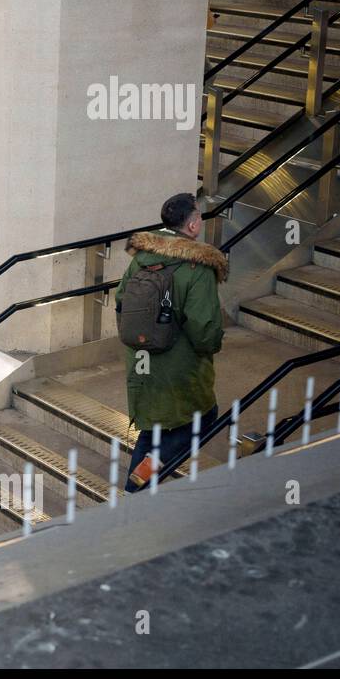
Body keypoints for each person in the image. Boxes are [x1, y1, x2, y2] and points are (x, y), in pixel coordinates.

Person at [116, 192, 228, 492]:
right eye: (199, 216)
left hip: (141, 365)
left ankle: (136, 487)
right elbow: (205, 330)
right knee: (199, 421)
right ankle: (135, 489)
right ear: (192, 225)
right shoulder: (198, 267)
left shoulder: (142, 258)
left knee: (155, 432)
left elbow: (120, 302)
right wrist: (213, 344)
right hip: (180, 373)